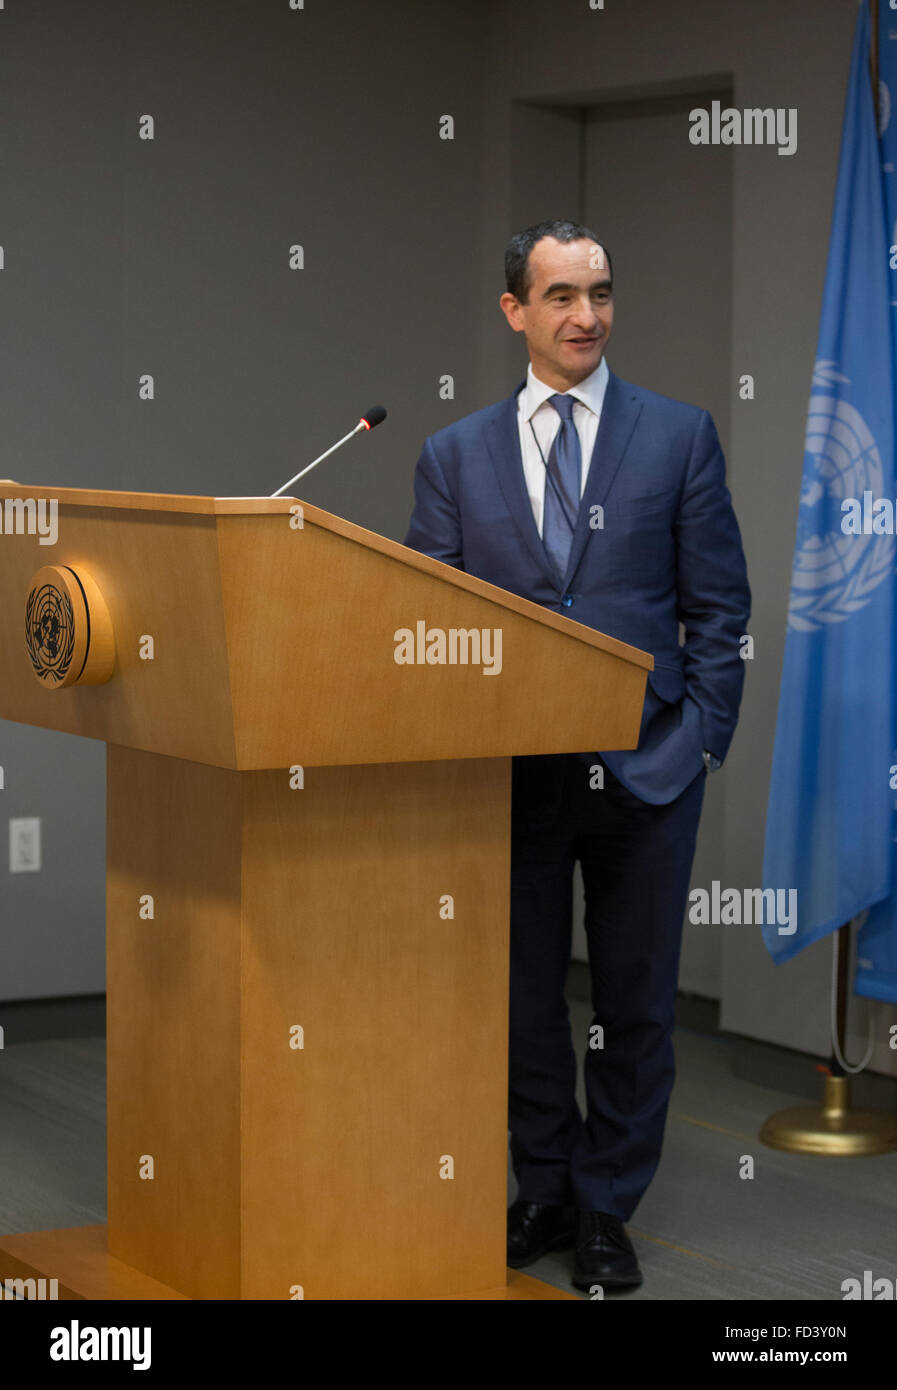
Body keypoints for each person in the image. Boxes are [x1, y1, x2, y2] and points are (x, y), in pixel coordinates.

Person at [403, 219, 750, 1293]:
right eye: (559, 296)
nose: (585, 316)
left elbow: (720, 610)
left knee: (635, 1001)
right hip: (511, 778)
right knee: (518, 996)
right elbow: (427, 616)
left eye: (599, 293)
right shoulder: (454, 456)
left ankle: (607, 1204)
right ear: (516, 311)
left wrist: (698, 744)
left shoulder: (679, 435)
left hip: (647, 770)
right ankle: (542, 1184)